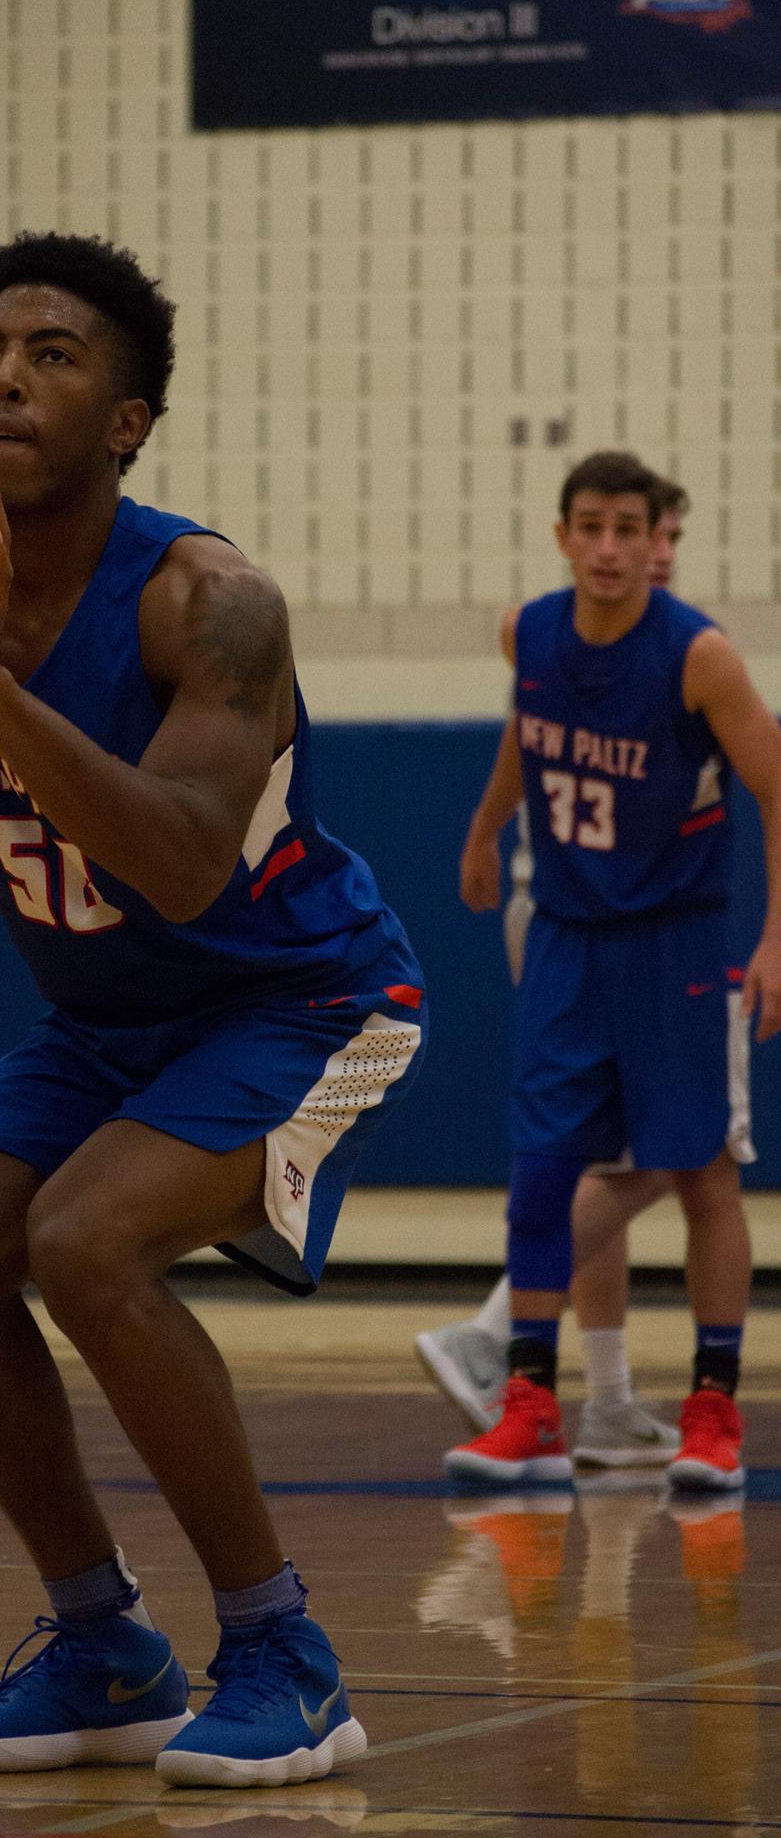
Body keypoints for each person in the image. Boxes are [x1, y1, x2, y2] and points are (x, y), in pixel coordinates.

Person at [0, 232, 426, 1788]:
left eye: (51, 354)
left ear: (126, 421)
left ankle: (280, 1653)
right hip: (110, 1020)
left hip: (308, 999)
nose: (1, 376)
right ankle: (103, 1643)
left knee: (85, 1241)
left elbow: (181, 861)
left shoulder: (211, 599)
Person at [444, 450, 781, 1490]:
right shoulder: (526, 630)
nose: (605, 546)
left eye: (625, 528)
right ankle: (532, 1406)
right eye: (587, 525)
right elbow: (531, 732)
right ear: (561, 535)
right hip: (566, 936)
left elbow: (775, 787)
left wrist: (774, 940)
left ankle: (713, 1408)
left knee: (700, 1169)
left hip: (673, 938)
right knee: (544, 1170)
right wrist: (485, 824)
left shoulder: (699, 658)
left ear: (652, 541)